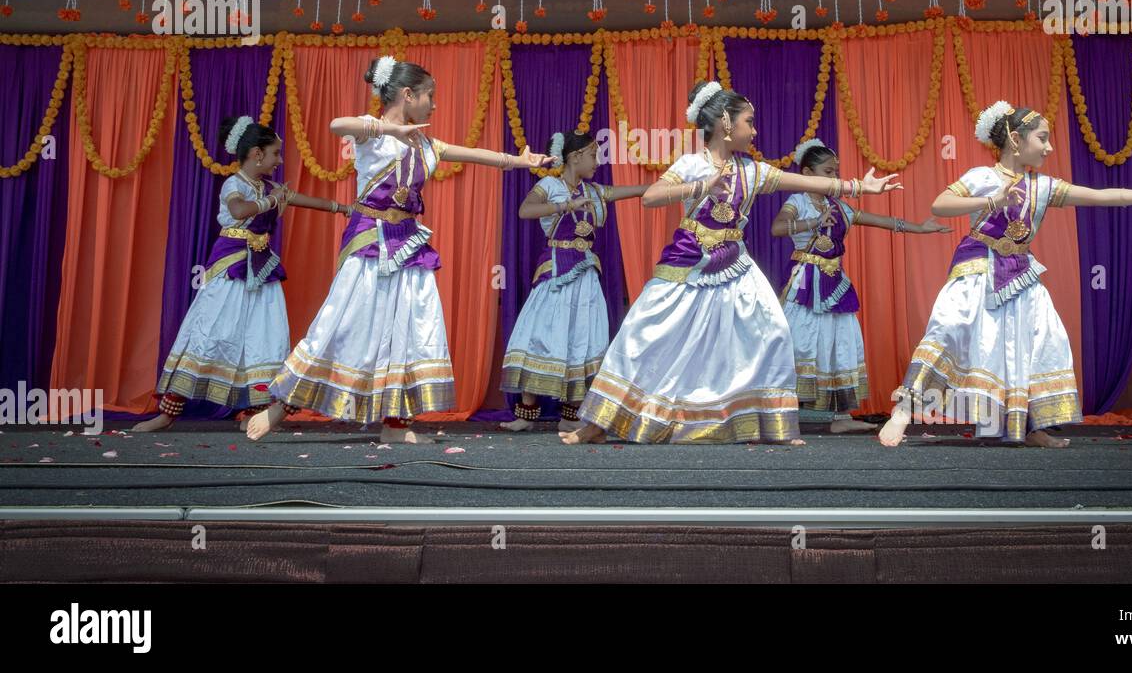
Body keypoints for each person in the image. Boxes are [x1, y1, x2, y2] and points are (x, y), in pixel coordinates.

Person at [559, 79, 901, 445]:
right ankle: (599, 423)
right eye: (748, 122)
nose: (754, 130)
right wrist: (700, 187)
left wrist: (858, 188)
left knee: (772, 331)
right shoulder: (692, 164)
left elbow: (801, 182)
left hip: (735, 266)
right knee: (642, 334)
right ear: (725, 122)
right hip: (687, 262)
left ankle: (773, 425)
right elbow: (652, 197)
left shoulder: (753, 171)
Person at [246, 55, 553, 443]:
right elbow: (336, 124)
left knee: (409, 329)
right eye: (429, 96)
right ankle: (280, 407)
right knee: (343, 324)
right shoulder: (370, 132)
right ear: (408, 95)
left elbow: (477, 155)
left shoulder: (428, 143)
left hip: (409, 244)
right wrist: (386, 131)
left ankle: (395, 425)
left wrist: (520, 161)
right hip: (370, 241)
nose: (435, 104)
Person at [877, 101, 1132, 448]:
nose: (1049, 147)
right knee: (948, 329)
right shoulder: (982, 177)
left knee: (1035, 343)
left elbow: (1098, 196)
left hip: (1020, 274)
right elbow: (940, 205)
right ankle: (904, 412)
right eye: (1043, 138)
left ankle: (1030, 426)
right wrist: (990, 203)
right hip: (977, 269)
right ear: (1016, 140)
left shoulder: (1044, 187)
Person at [133, 116, 350, 432]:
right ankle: (167, 414)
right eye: (275, 153)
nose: (279, 160)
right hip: (231, 270)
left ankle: (258, 412)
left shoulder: (269, 188)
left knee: (264, 338)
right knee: (208, 335)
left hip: (261, 270)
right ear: (257, 154)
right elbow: (239, 211)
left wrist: (346, 209)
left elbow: (309, 201)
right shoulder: (234, 185)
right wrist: (272, 200)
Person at [772, 138, 950, 434]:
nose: (834, 178)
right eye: (828, 172)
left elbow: (881, 221)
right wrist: (814, 222)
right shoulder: (797, 202)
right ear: (806, 173)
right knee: (801, 342)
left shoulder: (840, 207)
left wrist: (920, 228)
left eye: (835, 172)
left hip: (835, 284)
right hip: (805, 284)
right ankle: (787, 413)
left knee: (840, 345)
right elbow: (777, 228)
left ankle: (840, 417)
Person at [500, 130, 649, 433]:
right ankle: (526, 412)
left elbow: (635, 190)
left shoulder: (594, 192)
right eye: (593, 155)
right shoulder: (550, 186)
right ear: (575, 157)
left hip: (584, 275)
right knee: (539, 334)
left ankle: (570, 414)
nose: (597, 162)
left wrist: (673, 185)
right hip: (554, 273)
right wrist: (563, 206)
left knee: (582, 339)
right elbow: (525, 210)